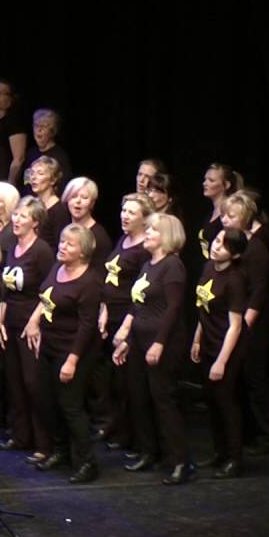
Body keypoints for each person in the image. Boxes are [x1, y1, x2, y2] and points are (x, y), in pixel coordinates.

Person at [112, 213, 190, 483]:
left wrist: (159, 342)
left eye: (153, 230)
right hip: (140, 339)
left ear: (166, 236)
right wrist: (128, 340)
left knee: (163, 400)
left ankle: (180, 460)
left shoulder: (172, 267)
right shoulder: (148, 265)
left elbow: (173, 308)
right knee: (139, 397)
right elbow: (139, 305)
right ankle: (149, 452)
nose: (146, 233)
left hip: (163, 342)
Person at [24, 223, 103, 483]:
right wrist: (34, 320)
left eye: (70, 244)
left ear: (83, 252)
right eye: (62, 241)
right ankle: (61, 452)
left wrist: (71, 361)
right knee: (49, 401)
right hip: (50, 344)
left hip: (73, 349)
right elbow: (45, 297)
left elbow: (87, 327)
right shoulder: (58, 268)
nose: (62, 246)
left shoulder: (89, 281)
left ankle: (86, 462)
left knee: (71, 406)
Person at [221, 191, 269, 453]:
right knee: (242, 378)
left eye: (230, 216)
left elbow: (259, 292)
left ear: (244, 218)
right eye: (224, 214)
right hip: (239, 317)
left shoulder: (256, 249)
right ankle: (249, 432)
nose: (225, 220)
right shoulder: (236, 242)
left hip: (254, 321)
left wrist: (245, 327)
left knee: (256, 377)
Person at [0, 197, 55, 461]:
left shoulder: (41, 251)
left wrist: (35, 322)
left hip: (32, 325)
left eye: (23, 216)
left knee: (34, 384)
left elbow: (50, 290)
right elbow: (6, 288)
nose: (17, 220)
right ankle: (21, 435)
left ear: (35, 222)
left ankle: (45, 443)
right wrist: (0, 315)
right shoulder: (12, 247)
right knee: (15, 382)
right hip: (10, 323)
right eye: (16, 214)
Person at [95, 193, 153, 450]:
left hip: (129, 318)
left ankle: (132, 436)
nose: (124, 215)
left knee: (127, 379)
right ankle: (116, 427)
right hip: (111, 314)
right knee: (111, 378)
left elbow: (141, 292)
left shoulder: (144, 250)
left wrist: (126, 327)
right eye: (123, 210)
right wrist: (104, 309)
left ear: (144, 218)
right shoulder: (123, 240)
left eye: (131, 212)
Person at [192, 228, 249, 478]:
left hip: (227, 347)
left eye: (223, 245)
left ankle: (234, 459)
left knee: (226, 403)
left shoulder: (235, 280)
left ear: (234, 255)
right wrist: (197, 339)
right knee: (211, 401)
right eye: (216, 241)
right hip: (208, 342)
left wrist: (221, 362)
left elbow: (235, 326)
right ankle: (219, 452)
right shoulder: (208, 268)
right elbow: (203, 307)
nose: (216, 247)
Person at [63, 177, 113, 264]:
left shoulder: (99, 237)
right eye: (74, 196)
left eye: (84, 197)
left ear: (92, 203)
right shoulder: (66, 228)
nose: (78, 201)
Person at [198, 163, 242, 260]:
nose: (205, 183)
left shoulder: (230, 216)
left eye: (211, 180)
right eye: (205, 179)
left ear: (226, 185)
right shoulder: (209, 215)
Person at [0, 78, 29, 185]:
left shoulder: (15, 122)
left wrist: (10, 183)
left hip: (6, 178)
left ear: (12, 98)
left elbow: (18, 158)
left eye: (3, 94)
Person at [27, 156, 69, 250]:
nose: (33, 177)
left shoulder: (59, 211)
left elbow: (60, 244)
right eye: (32, 173)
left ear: (53, 180)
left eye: (40, 173)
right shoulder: (32, 205)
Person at [22, 109, 71, 189]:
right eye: (36, 125)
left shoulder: (60, 156)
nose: (39, 130)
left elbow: (63, 187)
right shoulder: (31, 152)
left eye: (43, 126)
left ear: (52, 131)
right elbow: (26, 181)